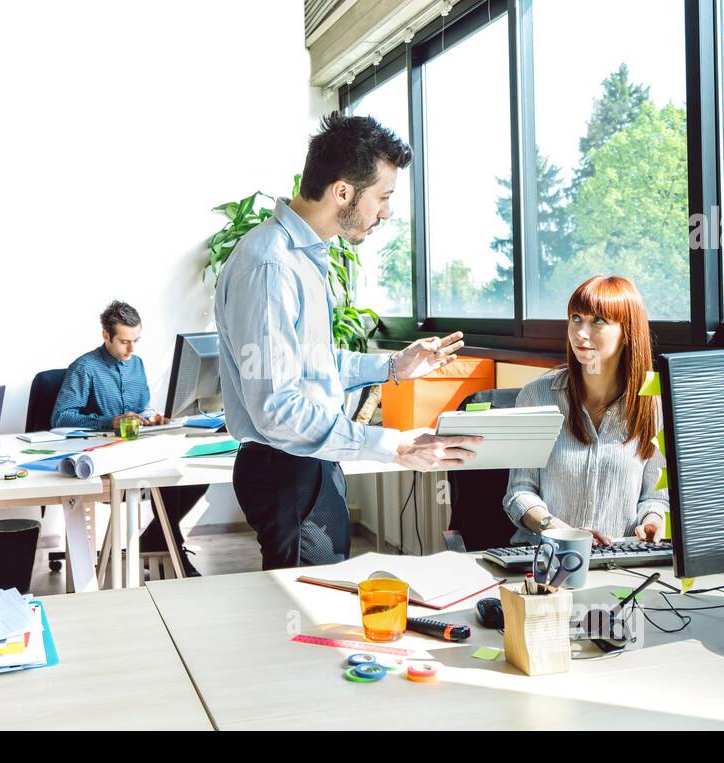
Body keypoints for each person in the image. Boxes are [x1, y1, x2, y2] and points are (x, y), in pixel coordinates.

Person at [214, 112, 482, 570]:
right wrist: (394, 445)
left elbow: (311, 363)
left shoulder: (304, 256)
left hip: (309, 463)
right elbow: (277, 407)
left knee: (319, 606)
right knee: (303, 619)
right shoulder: (271, 265)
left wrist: (394, 366)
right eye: (383, 196)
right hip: (288, 469)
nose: (387, 212)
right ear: (343, 192)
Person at [503, 276, 669, 546]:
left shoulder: (655, 405)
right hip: (545, 558)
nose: (580, 332)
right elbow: (519, 492)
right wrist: (559, 530)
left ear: (628, 332)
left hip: (621, 562)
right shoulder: (536, 396)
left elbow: (656, 497)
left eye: (598, 321)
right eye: (576, 318)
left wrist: (652, 520)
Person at [51, 300, 207, 575]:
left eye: (136, 340)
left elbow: (143, 406)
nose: (131, 349)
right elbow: (61, 417)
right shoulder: (84, 368)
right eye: (124, 341)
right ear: (106, 335)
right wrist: (109, 421)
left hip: (137, 449)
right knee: (167, 483)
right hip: (102, 454)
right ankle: (169, 546)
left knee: (193, 477)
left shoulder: (137, 365)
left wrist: (153, 417)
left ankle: (158, 538)